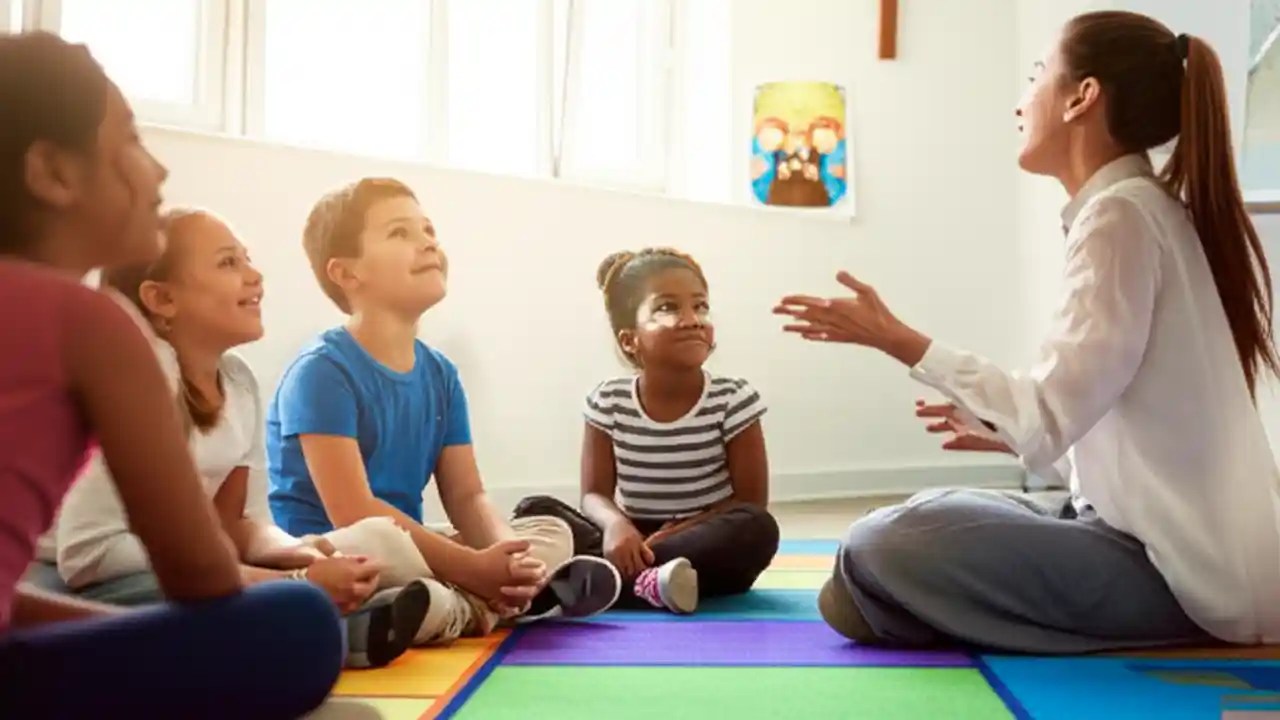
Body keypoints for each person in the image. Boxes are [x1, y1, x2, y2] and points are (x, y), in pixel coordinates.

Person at [775, 10, 1280, 653]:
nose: (1021, 101)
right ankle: (904, 601)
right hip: (1151, 540)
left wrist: (895, 337)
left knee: (881, 542)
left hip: (1180, 579)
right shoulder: (1137, 211)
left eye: (1037, 75)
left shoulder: (1120, 219)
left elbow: (1045, 412)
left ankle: (902, 599)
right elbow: (1137, 422)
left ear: (1082, 96)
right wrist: (1004, 438)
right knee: (923, 518)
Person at [0, 32, 340, 718]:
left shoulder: (231, 381)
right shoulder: (95, 327)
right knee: (301, 620)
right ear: (52, 172)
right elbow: (201, 577)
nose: (156, 171)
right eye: (130, 142)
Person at [54, 208, 431, 669]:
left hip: (186, 566)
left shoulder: (238, 382)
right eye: (229, 263)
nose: (256, 276)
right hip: (84, 580)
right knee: (293, 606)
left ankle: (336, 627)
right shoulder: (134, 382)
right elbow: (87, 556)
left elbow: (237, 523)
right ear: (162, 298)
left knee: (377, 540)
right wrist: (290, 580)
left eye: (247, 259)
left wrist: (299, 552)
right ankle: (337, 629)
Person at [267, 177, 620, 645]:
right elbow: (353, 511)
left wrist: (503, 554)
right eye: (400, 233)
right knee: (382, 540)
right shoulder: (321, 373)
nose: (428, 241)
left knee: (549, 529)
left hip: (415, 547)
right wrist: (474, 567)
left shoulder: (441, 375)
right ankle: (475, 604)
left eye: (428, 229)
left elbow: (467, 496)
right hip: (340, 552)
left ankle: (458, 603)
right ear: (347, 273)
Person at [516, 248, 779, 614]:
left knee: (757, 528)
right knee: (536, 510)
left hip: (703, 538)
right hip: (629, 537)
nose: (692, 319)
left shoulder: (733, 398)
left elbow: (750, 502)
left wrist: (678, 532)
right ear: (629, 339)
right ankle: (649, 584)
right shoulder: (608, 400)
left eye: (700, 306)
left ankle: (590, 584)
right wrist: (616, 527)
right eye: (668, 308)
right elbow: (593, 494)